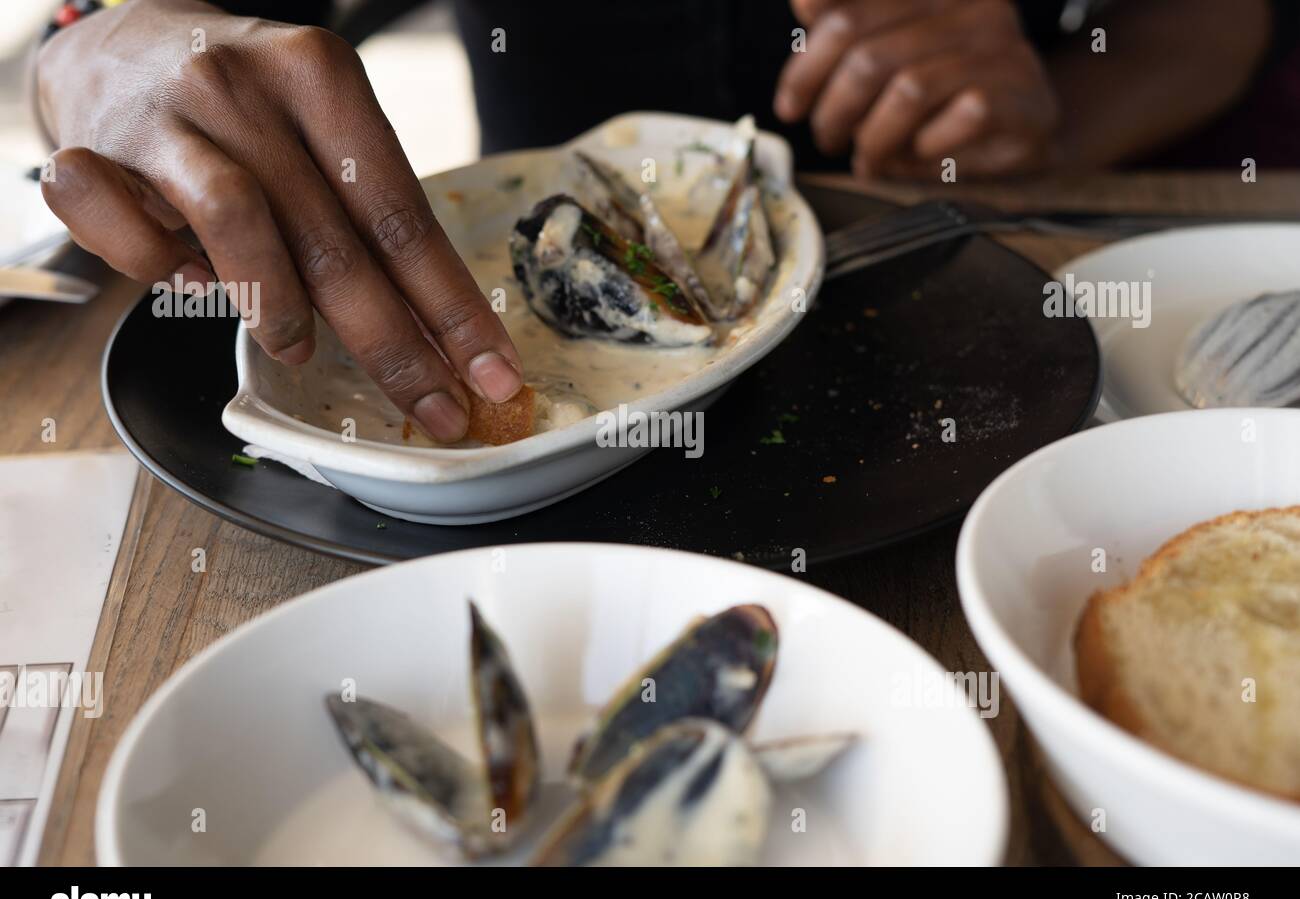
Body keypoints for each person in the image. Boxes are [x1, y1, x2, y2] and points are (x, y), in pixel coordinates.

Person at [31, 0, 1291, 441]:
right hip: (482, 275)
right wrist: (91, 60)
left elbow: (1224, 21)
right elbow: (106, 29)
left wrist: (1056, 109)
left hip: (951, 300)